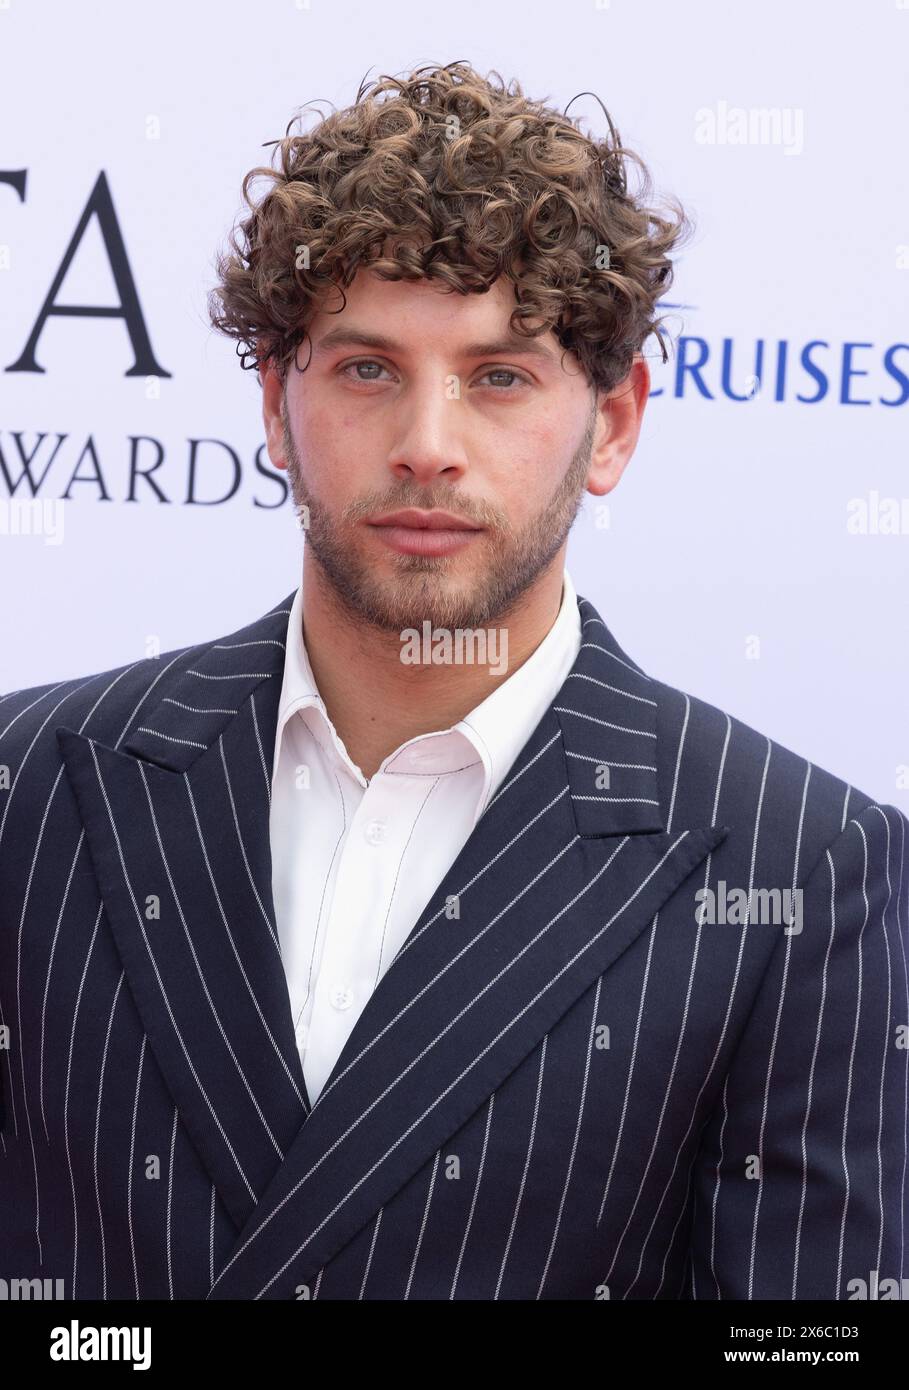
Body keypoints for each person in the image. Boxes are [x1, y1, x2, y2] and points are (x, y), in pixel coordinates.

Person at [1, 61, 905, 1302]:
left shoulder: (800, 865)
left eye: (500, 377)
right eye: (368, 369)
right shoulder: (30, 784)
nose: (428, 444)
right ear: (276, 402)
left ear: (618, 423)